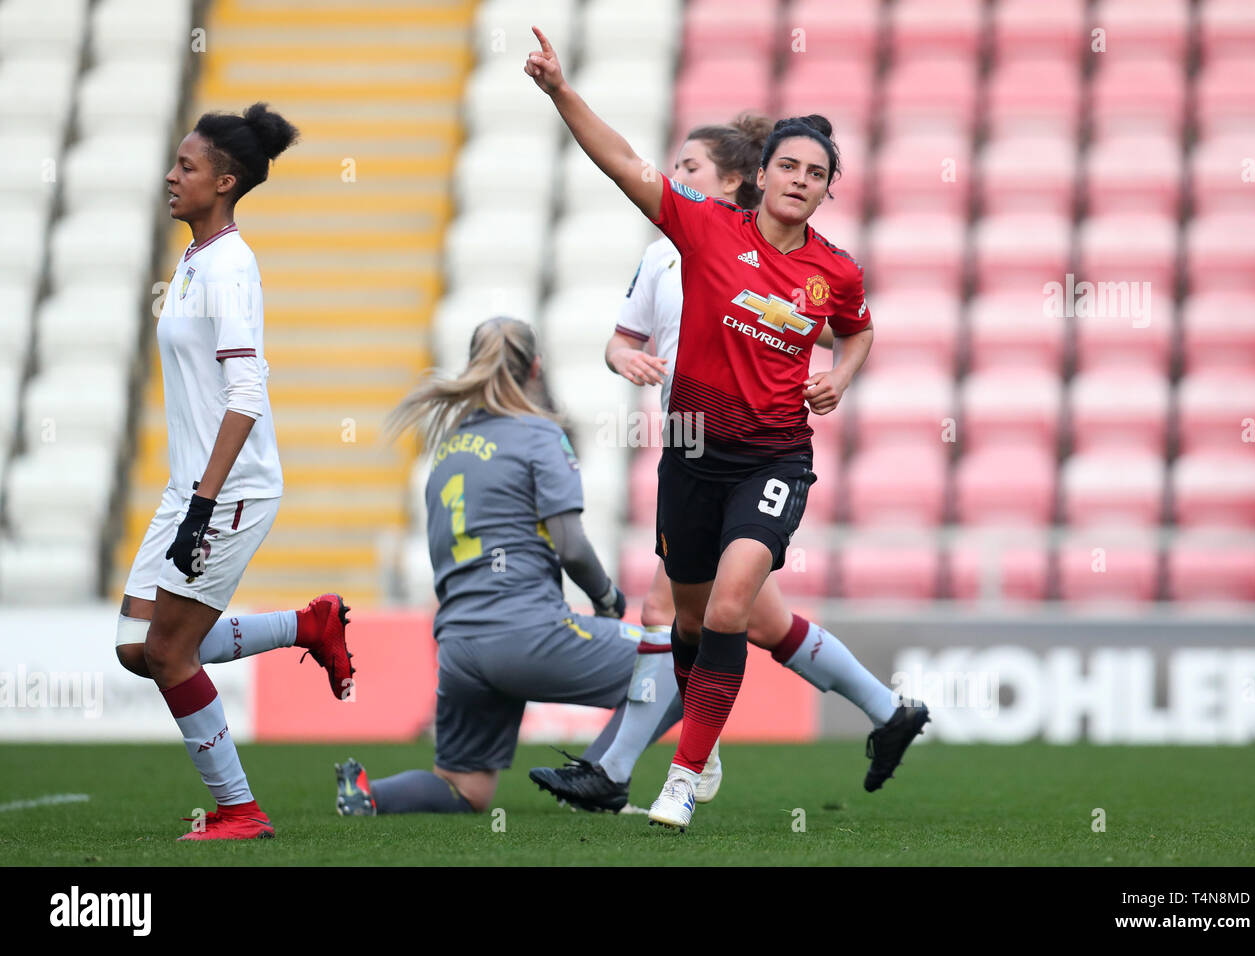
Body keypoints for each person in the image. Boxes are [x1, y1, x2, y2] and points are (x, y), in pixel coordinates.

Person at [525, 27, 928, 830]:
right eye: (791, 166)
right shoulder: (704, 232)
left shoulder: (834, 271)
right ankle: (873, 716)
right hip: (690, 456)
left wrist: (841, 377)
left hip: (773, 456)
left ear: (825, 190)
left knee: (732, 606)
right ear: (765, 174)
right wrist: (562, 93)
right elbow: (623, 165)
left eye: (817, 174)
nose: (802, 181)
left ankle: (675, 778)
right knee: (691, 621)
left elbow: (859, 327)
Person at [116, 103, 355, 841]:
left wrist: (203, 503)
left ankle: (239, 809)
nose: (171, 174)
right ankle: (309, 625)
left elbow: (248, 395)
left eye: (186, 167)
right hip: (189, 487)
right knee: (138, 647)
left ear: (224, 181)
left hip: (227, 489)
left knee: (167, 651)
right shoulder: (195, 258)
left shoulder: (231, 265)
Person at [333, 317, 673, 817]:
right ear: (536, 368)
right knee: (682, 661)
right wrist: (607, 599)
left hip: (460, 649)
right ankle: (599, 780)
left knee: (464, 789)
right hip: (527, 635)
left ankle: (368, 792)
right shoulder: (539, 434)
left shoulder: (446, 450)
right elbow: (572, 547)